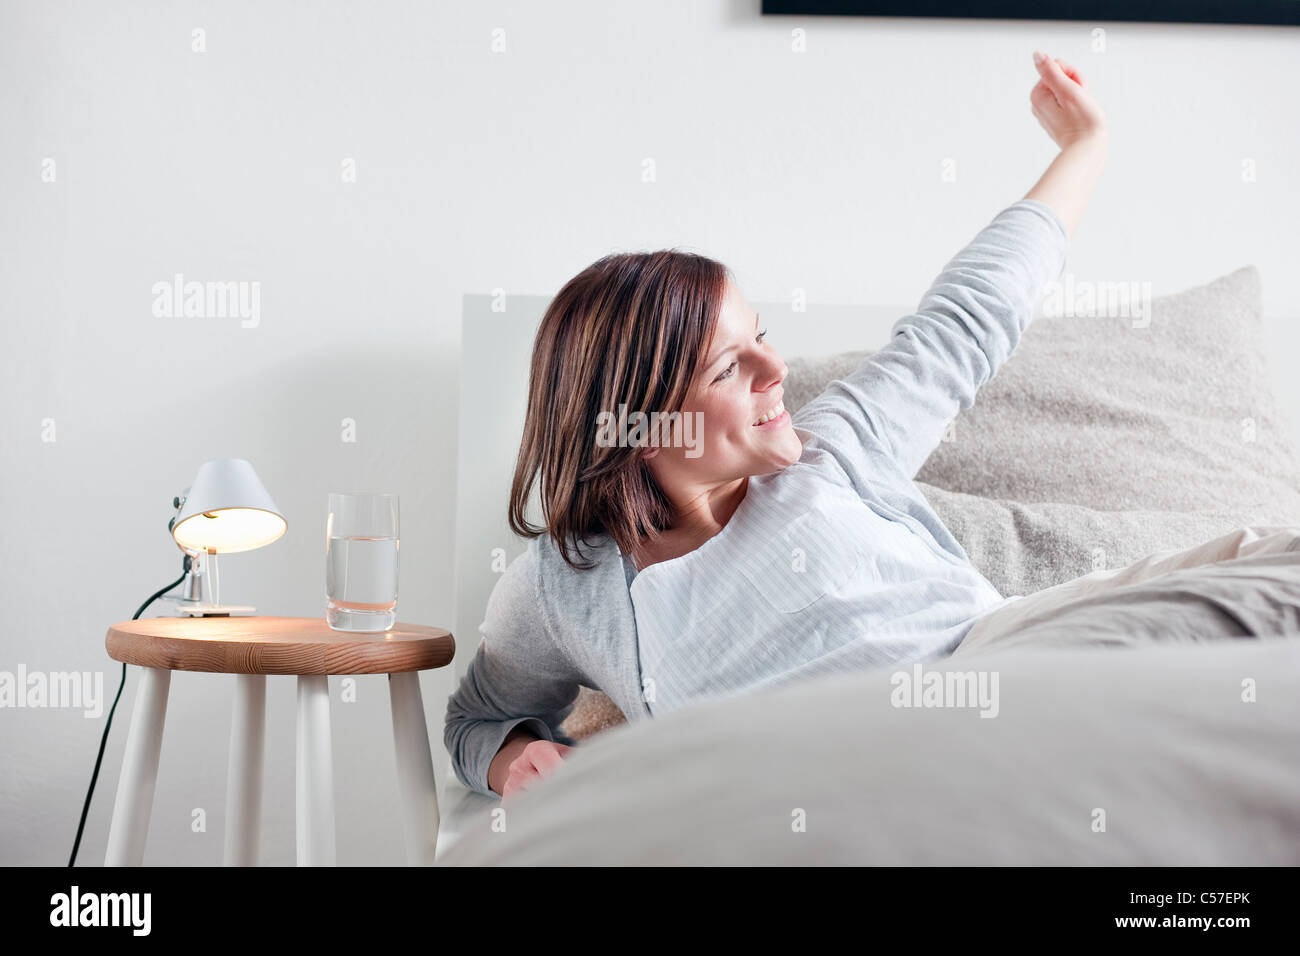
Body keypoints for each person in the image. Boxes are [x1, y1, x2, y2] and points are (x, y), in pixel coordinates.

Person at [446, 50, 1109, 801]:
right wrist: (514, 762)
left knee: (1261, 573)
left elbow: (965, 319)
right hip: (886, 792)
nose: (777, 370)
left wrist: (1083, 149)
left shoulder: (835, 448)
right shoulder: (565, 591)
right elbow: (479, 718)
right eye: (729, 369)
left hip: (1030, 675)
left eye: (761, 335)